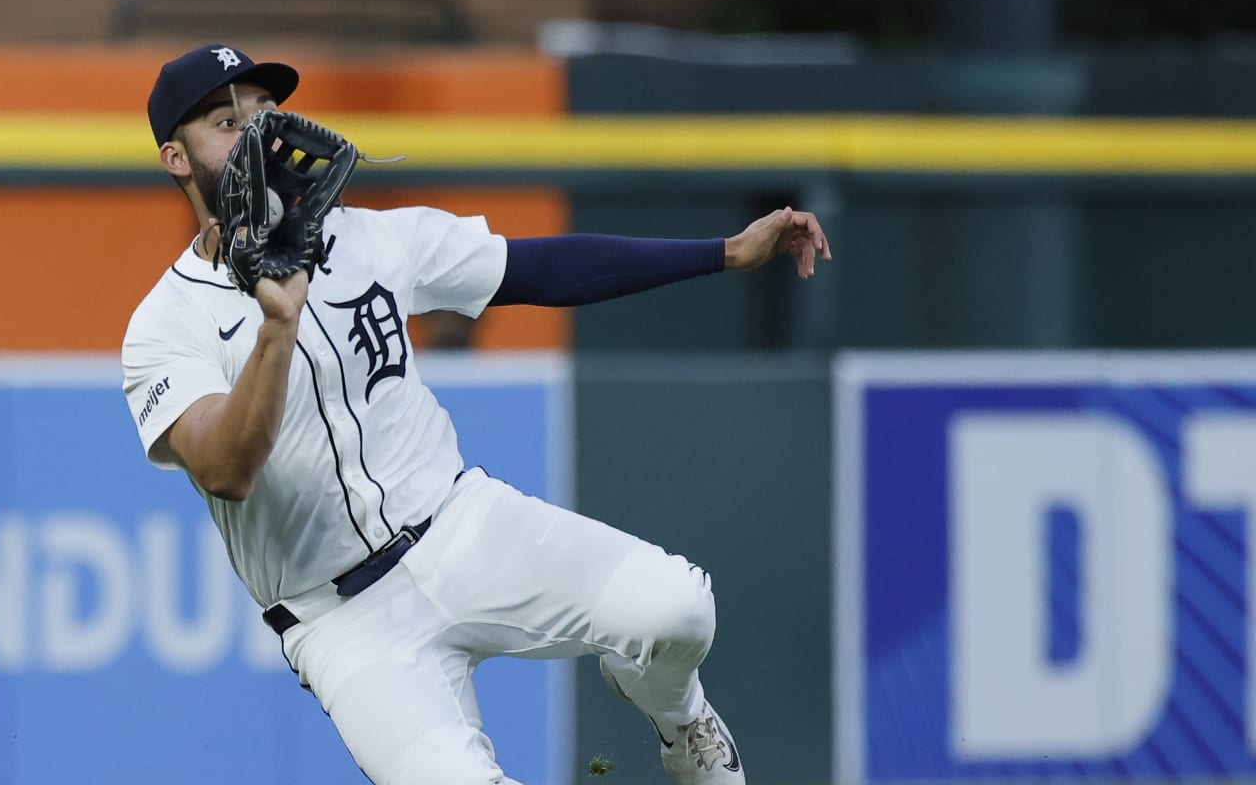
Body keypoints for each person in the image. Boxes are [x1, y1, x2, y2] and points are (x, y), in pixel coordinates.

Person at [121, 43, 832, 785]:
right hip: (342, 623)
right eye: (226, 122)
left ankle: (681, 721)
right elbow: (227, 471)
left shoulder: (373, 238)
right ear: (177, 157)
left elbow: (540, 267)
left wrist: (721, 252)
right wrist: (278, 325)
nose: (260, 133)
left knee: (677, 612)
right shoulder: (166, 325)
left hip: (463, 527)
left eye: (266, 112)